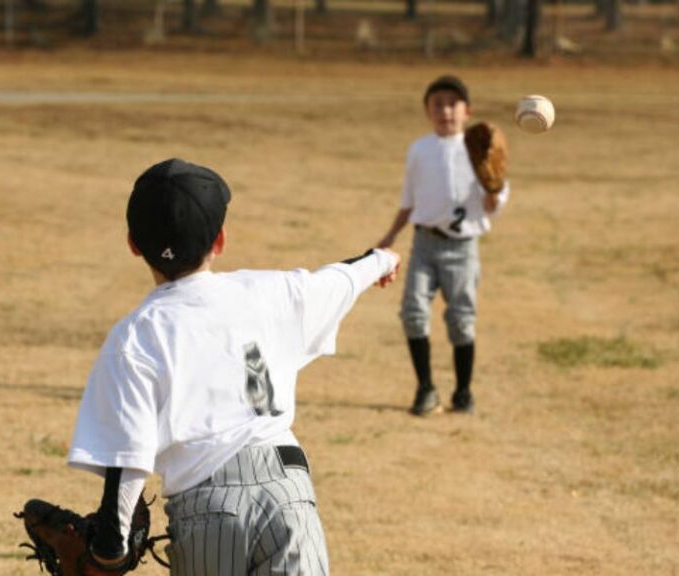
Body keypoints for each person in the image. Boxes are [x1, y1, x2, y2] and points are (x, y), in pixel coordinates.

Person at [67, 158, 400, 575]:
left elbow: (127, 458)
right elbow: (341, 277)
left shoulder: (134, 337)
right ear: (220, 239)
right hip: (287, 491)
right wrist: (381, 260)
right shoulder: (270, 291)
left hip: (207, 510)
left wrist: (109, 550)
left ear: (133, 243)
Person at [377, 75, 510, 416]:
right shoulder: (419, 149)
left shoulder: (478, 149)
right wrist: (390, 236)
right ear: (427, 111)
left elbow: (493, 203)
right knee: (413, 312)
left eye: (453, 104)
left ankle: (463, 392)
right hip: (424, 244)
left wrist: (493, 187)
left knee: (461, 319)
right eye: (437, 104)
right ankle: (426, 389)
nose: (445, 111)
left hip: (463, 249)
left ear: (468, 111)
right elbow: (409, 201)